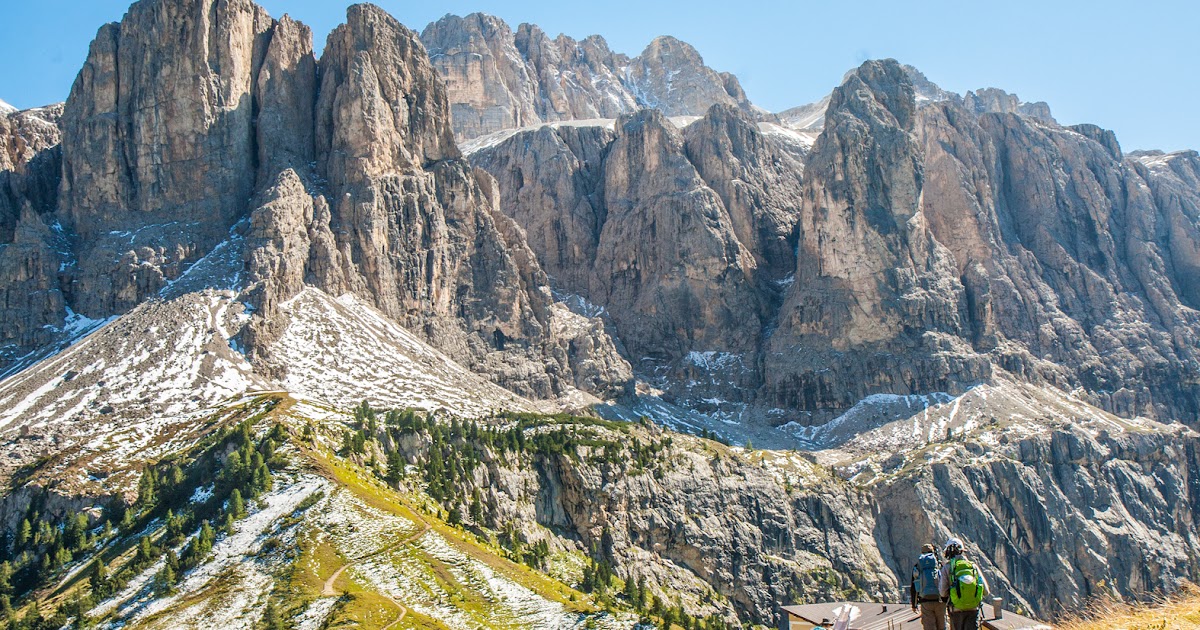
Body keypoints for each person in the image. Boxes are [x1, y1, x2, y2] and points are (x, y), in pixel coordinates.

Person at [939, 537, 989, 630]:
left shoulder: (947, 568)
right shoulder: (973, 566)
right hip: (973, 608)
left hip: (956, 609)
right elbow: (986, 591)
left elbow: (942, 592)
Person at [910, 543, 946, 630]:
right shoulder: (939, 564)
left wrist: (914, 605)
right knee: (942, 626)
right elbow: (945, 582)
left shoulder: (918, 566)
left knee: (929, 627)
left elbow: (914, 587)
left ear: (922, 553)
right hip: (940, 600)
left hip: (925, 601)